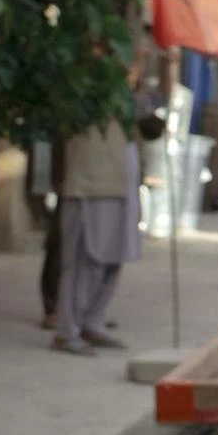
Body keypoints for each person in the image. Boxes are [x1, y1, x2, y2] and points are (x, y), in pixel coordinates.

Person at [48, 77, 162, 356]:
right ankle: (67, 329)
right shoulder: (85, 84)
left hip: (121, 181)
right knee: (85, 259)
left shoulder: (130, 93)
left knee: (113, 258)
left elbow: (150, 128)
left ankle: (92, 320)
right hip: (90, 183)